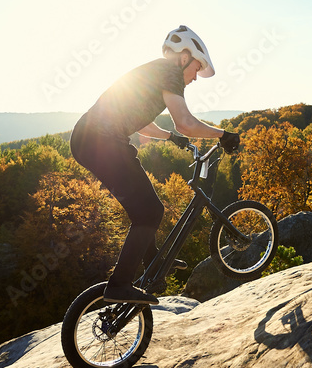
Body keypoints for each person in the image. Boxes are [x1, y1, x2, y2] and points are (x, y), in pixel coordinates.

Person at [69, 25, 241, 305]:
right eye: (197, 68)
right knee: (150, 211)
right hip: (102, 142)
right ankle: (119, 284)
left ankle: (152, 259)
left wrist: (170, 137)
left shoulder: (155, 72)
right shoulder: (170, 73)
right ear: (184, 57)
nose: (195, 77)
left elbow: (141, 120)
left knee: (144, 209)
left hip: (88, 140)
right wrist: (223, 135)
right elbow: (185, 121)